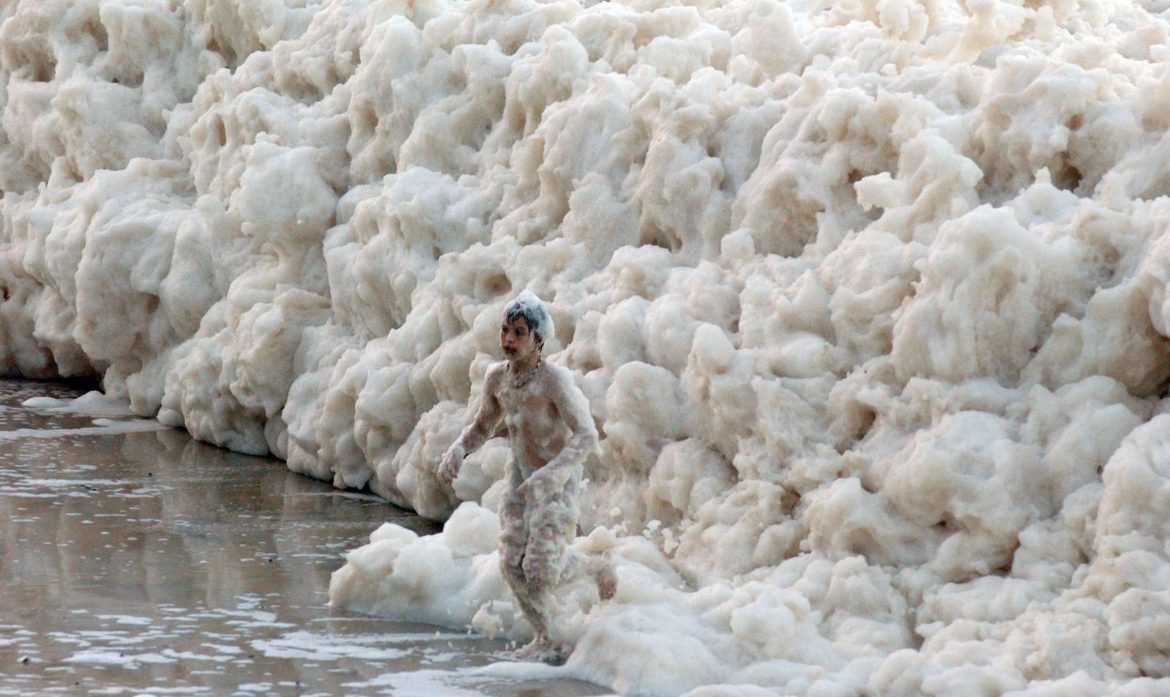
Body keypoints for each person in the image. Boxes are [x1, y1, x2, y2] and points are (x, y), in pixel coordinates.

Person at [438, 291, 616, 663]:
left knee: (540, 571)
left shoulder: (554, 380)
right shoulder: (496, 378)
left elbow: (586, 434)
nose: (508, 340)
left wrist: (551, 475)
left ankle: (596, 565)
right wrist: (458, 448)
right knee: (511, 565)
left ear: (538, 339)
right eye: (505, 330)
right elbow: (483, 426)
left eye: (518, 333)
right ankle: (547, 636)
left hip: (557, 483)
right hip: (520, 480)